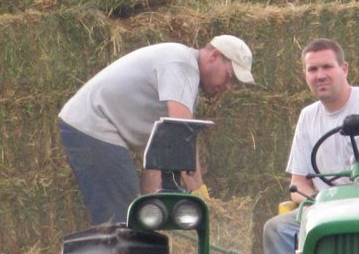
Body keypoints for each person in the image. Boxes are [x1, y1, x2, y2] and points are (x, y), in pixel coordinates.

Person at [59, 35, 254, 226]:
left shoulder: (185, 80)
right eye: (230, 77)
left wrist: (153, 210)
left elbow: (159, 151)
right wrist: (200, 196)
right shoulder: (182, 67)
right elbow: (180, 140)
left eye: (235, 84)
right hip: (93, 125)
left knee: (136, 218)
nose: (229, 87)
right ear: (214, 56)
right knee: (122, 219)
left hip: (93, 126)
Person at [261, 39, 359, 254]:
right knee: (277, 229)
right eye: (313, 69)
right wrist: (315, 203)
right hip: (326, 208)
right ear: (305, 75)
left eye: (327, 66)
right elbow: (299, 183)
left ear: (345, 68)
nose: (320, 75)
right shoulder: (308, 116)